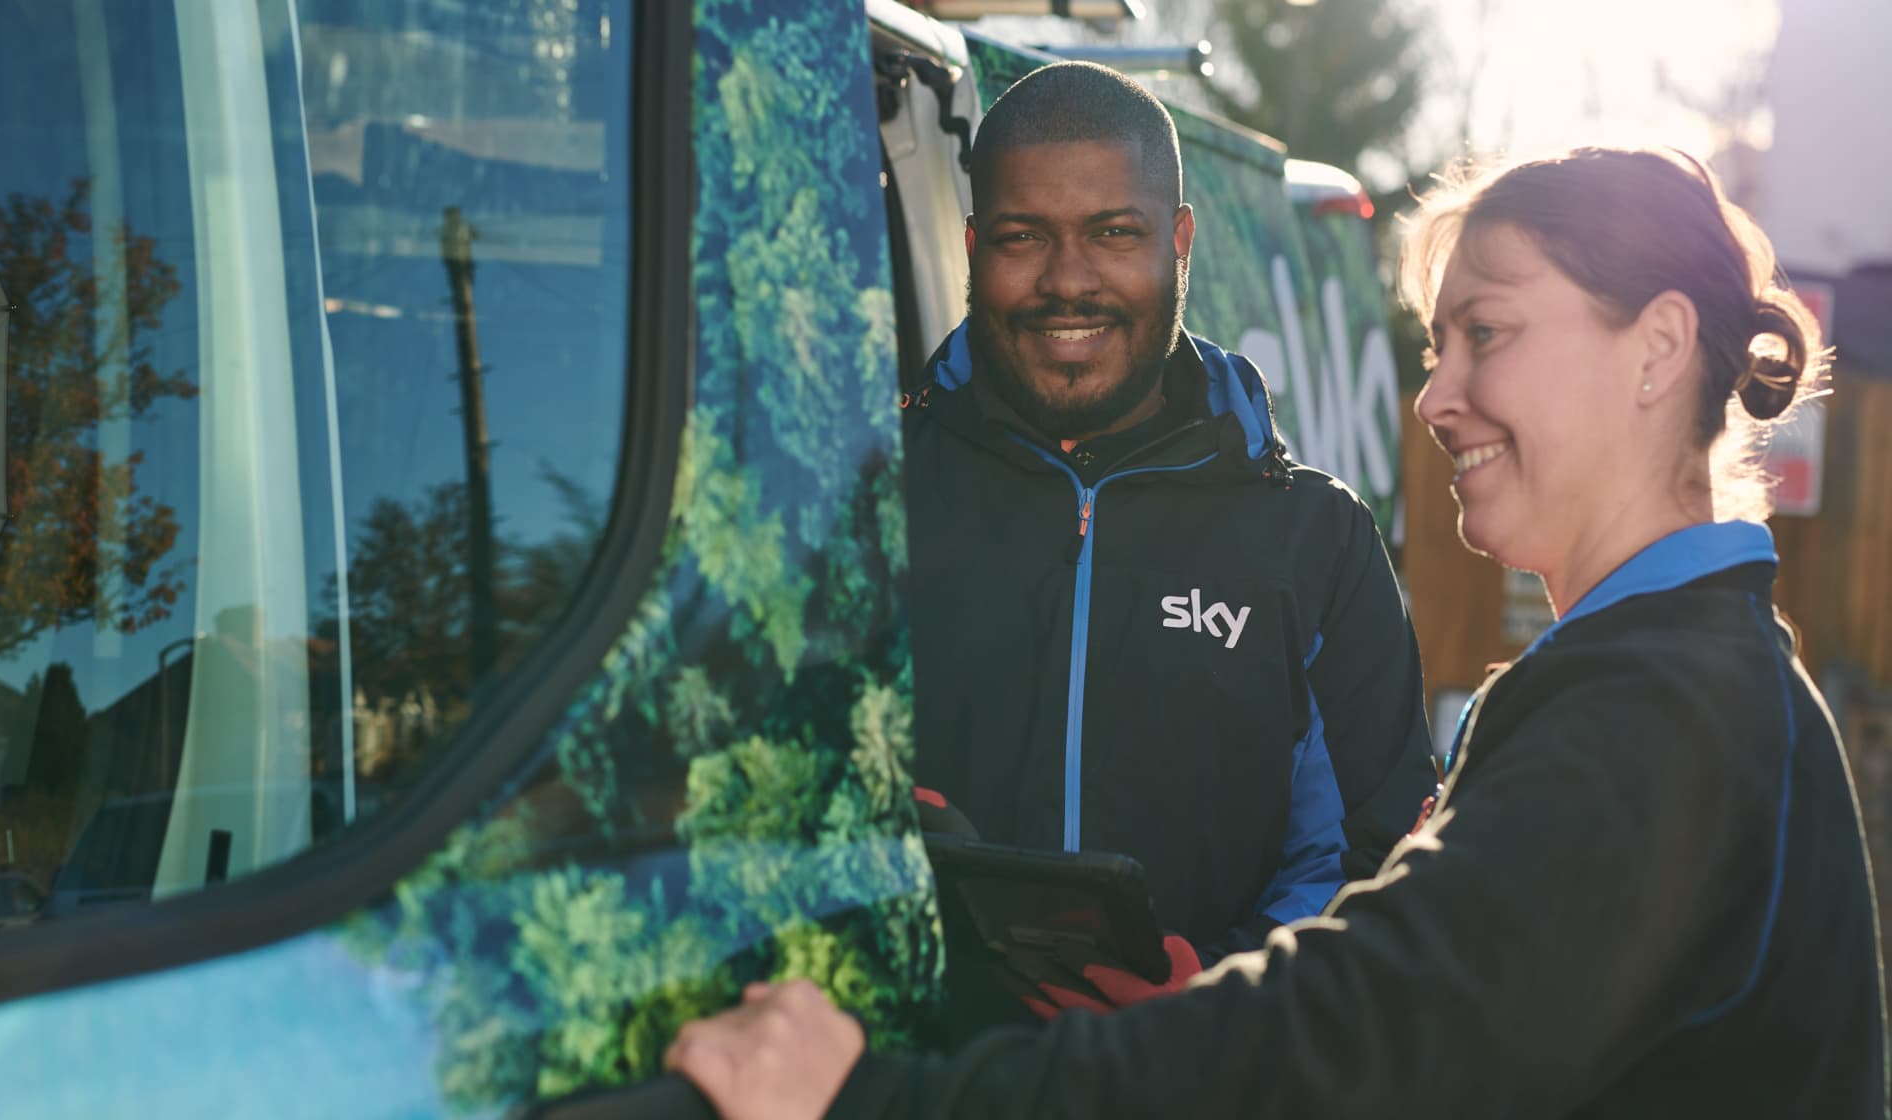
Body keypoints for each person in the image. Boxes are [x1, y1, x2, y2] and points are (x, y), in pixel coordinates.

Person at [664, 146, 1890, 1118]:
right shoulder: (1673, 676)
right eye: (1433, 346)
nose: (1434, 395)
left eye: (1487, 334)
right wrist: (1205, 1000)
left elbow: (1364, 1035)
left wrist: (878, 1101)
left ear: (1658, 348)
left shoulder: (1664, 709)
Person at [898, 60, 1435, 1025]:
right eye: (1024, 238)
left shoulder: (1316, 539)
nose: (1069, 282)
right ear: (975, 246)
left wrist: (1207, 1006)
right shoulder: (870, 497)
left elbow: (1376, 868)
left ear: (1179, 242)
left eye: (1115, 234)